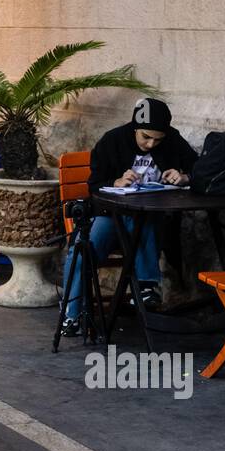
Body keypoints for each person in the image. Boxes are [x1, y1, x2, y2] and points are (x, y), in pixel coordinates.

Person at [59, 97, 198, 337]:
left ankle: (145, 287)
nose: (152, 144)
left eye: (158, 139)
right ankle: (72, 314)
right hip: (108, 215)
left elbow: (198, 167)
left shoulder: (172, 140)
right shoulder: (113, 141)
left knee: (140, 220)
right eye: (146, 137)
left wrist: (184, 177)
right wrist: (116, 182)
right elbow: (94, 185)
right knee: (84, 247)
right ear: (135, 127)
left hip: (148, 221)